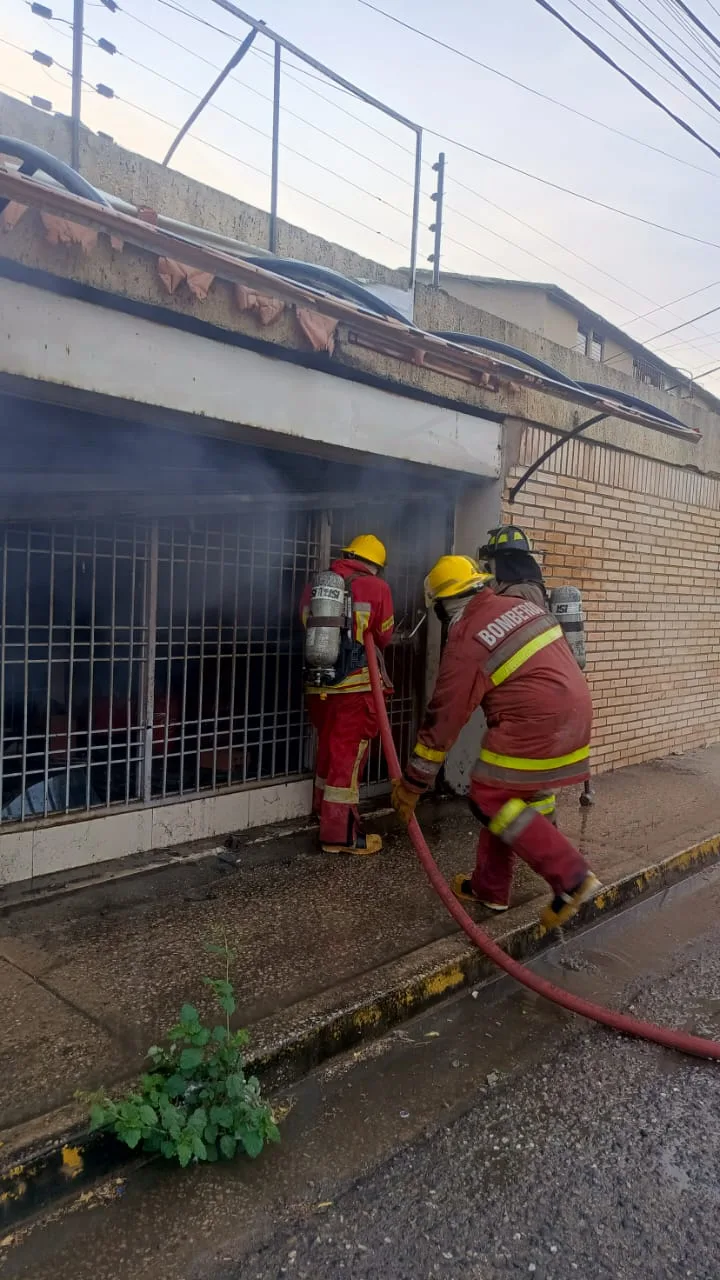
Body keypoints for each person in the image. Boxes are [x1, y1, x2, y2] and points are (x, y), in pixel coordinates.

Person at [390, 554, 600, 930]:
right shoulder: (518, 607)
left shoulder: (469, 635)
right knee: (505, 796)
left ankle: (571, 877)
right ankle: (490, 888)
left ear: (443, 604)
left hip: (536, 721)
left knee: (490, 797)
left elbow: (443, 717)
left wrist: (412, 785)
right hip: (574, 712)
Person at [301, 534, 394, 856]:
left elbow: (305, 623)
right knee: (348, 757)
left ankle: (322, 813)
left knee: (328, 748)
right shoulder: (376, 587)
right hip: (354, 687)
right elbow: (383, 633)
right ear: (375, 564)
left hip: (319, 682)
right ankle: (339, 835)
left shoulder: (321, 583)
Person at [479, 524, 548, 609]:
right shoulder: (531, 586)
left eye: (490, 562)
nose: (487, 568)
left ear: (501, 563)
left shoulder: (515, 593)